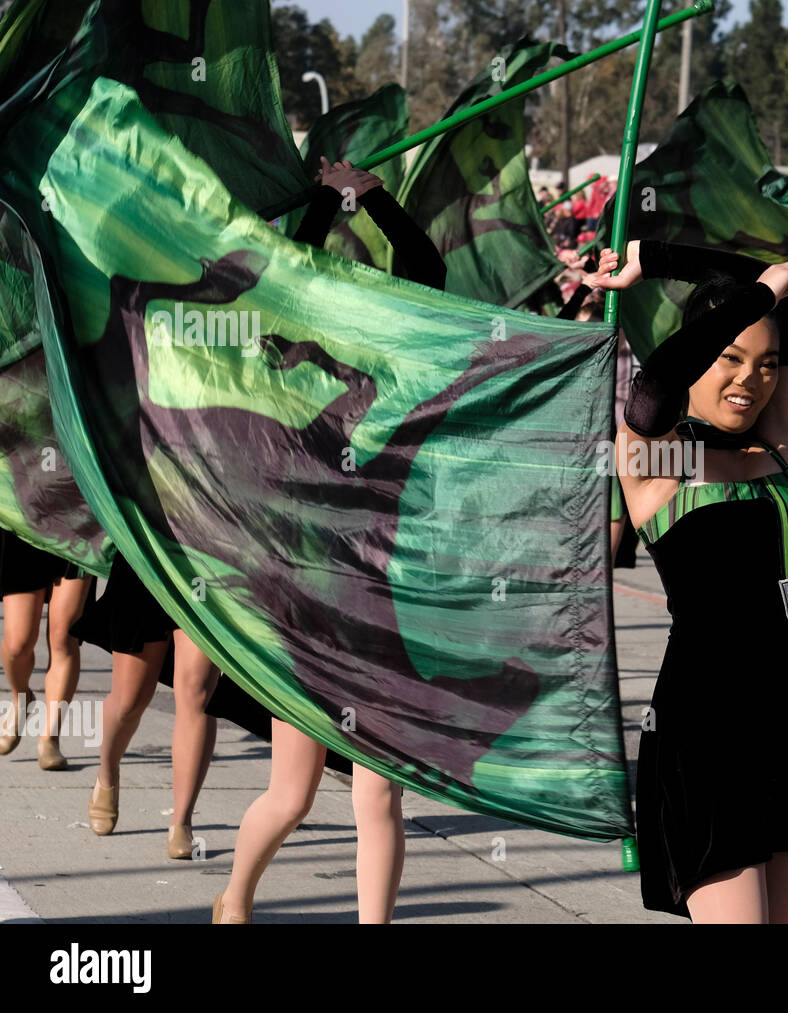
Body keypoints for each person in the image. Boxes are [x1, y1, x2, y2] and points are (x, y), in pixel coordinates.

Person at [589, 238, 788, 923]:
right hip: (708, 727)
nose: (750, 381)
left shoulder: (780, 438)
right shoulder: (656, 455)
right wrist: (742, 291)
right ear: (700, 351)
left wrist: (655, 253)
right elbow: (655, 386)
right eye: (730, 359)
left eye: (767, 365)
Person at [213, 158, 450, 923]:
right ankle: (234, 896)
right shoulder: (285, 369)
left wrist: (373, 199)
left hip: (385, 601)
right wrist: (323, 198)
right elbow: (284, 273)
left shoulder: (405, 371)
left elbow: (426, 271)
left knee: (381, 793)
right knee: (293, 794)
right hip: (309, 599)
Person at [73, 554, 219, 860]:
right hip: (146, 553)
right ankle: (107, 773)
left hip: (207, 560)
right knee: (130, 698)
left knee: (198, 694)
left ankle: (182, 820)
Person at [0, 531, 93, 769]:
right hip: (26, 517)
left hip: (81, 521)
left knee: (64, 636)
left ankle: (50, 737)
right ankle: (21, 698)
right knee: (17, 644)